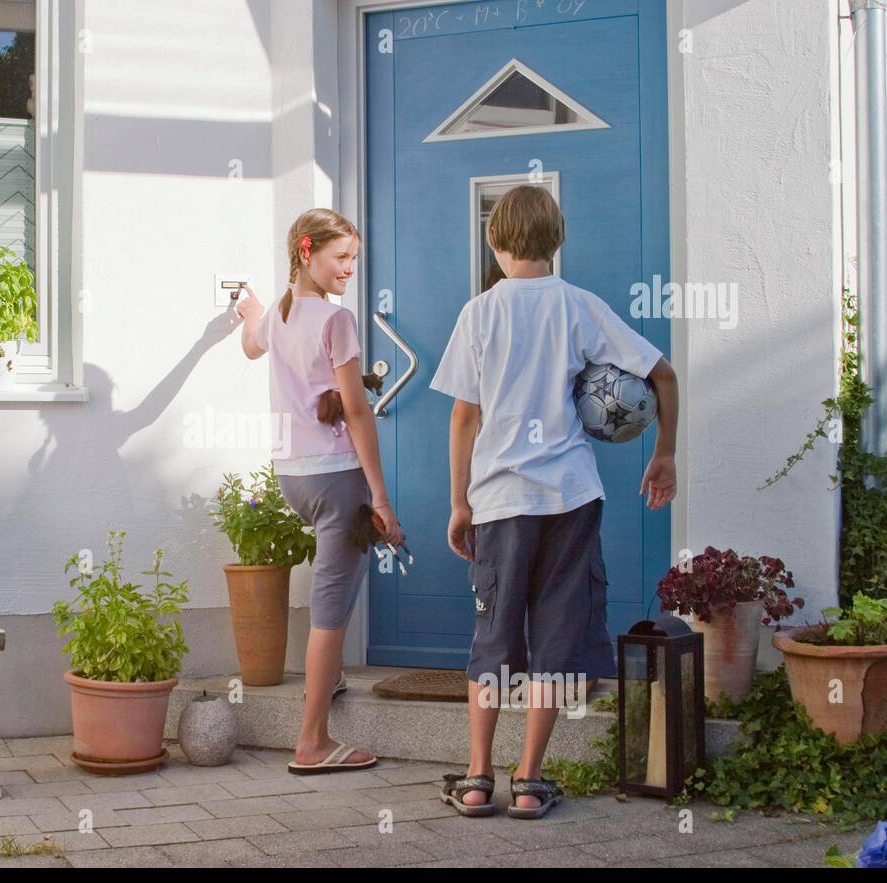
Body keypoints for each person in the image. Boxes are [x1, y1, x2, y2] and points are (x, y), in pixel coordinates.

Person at [430, 185, 679, 818]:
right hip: (569, 498)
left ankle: (478, 777)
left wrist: (458, 503)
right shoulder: (580, 307)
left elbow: (465, 417)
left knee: (493, 636)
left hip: (500, 500)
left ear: (494, 240)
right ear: (558, 238)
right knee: (558, 640)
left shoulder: (478, 314)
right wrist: (663, 454)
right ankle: (530, 783)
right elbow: (663, 374)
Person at [237, 208, 403, 775]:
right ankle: (311, 743)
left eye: (354, 258)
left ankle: (325, 682)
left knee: (333, 592)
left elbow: (250, 346)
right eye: (341, 257)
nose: (349, 268)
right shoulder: (337, 322)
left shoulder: (278, 316)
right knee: (330, 610)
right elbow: (357, 411)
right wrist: (380, 499)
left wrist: (247, 308)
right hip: (337, 478)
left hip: (294, 478)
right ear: (307, 252)